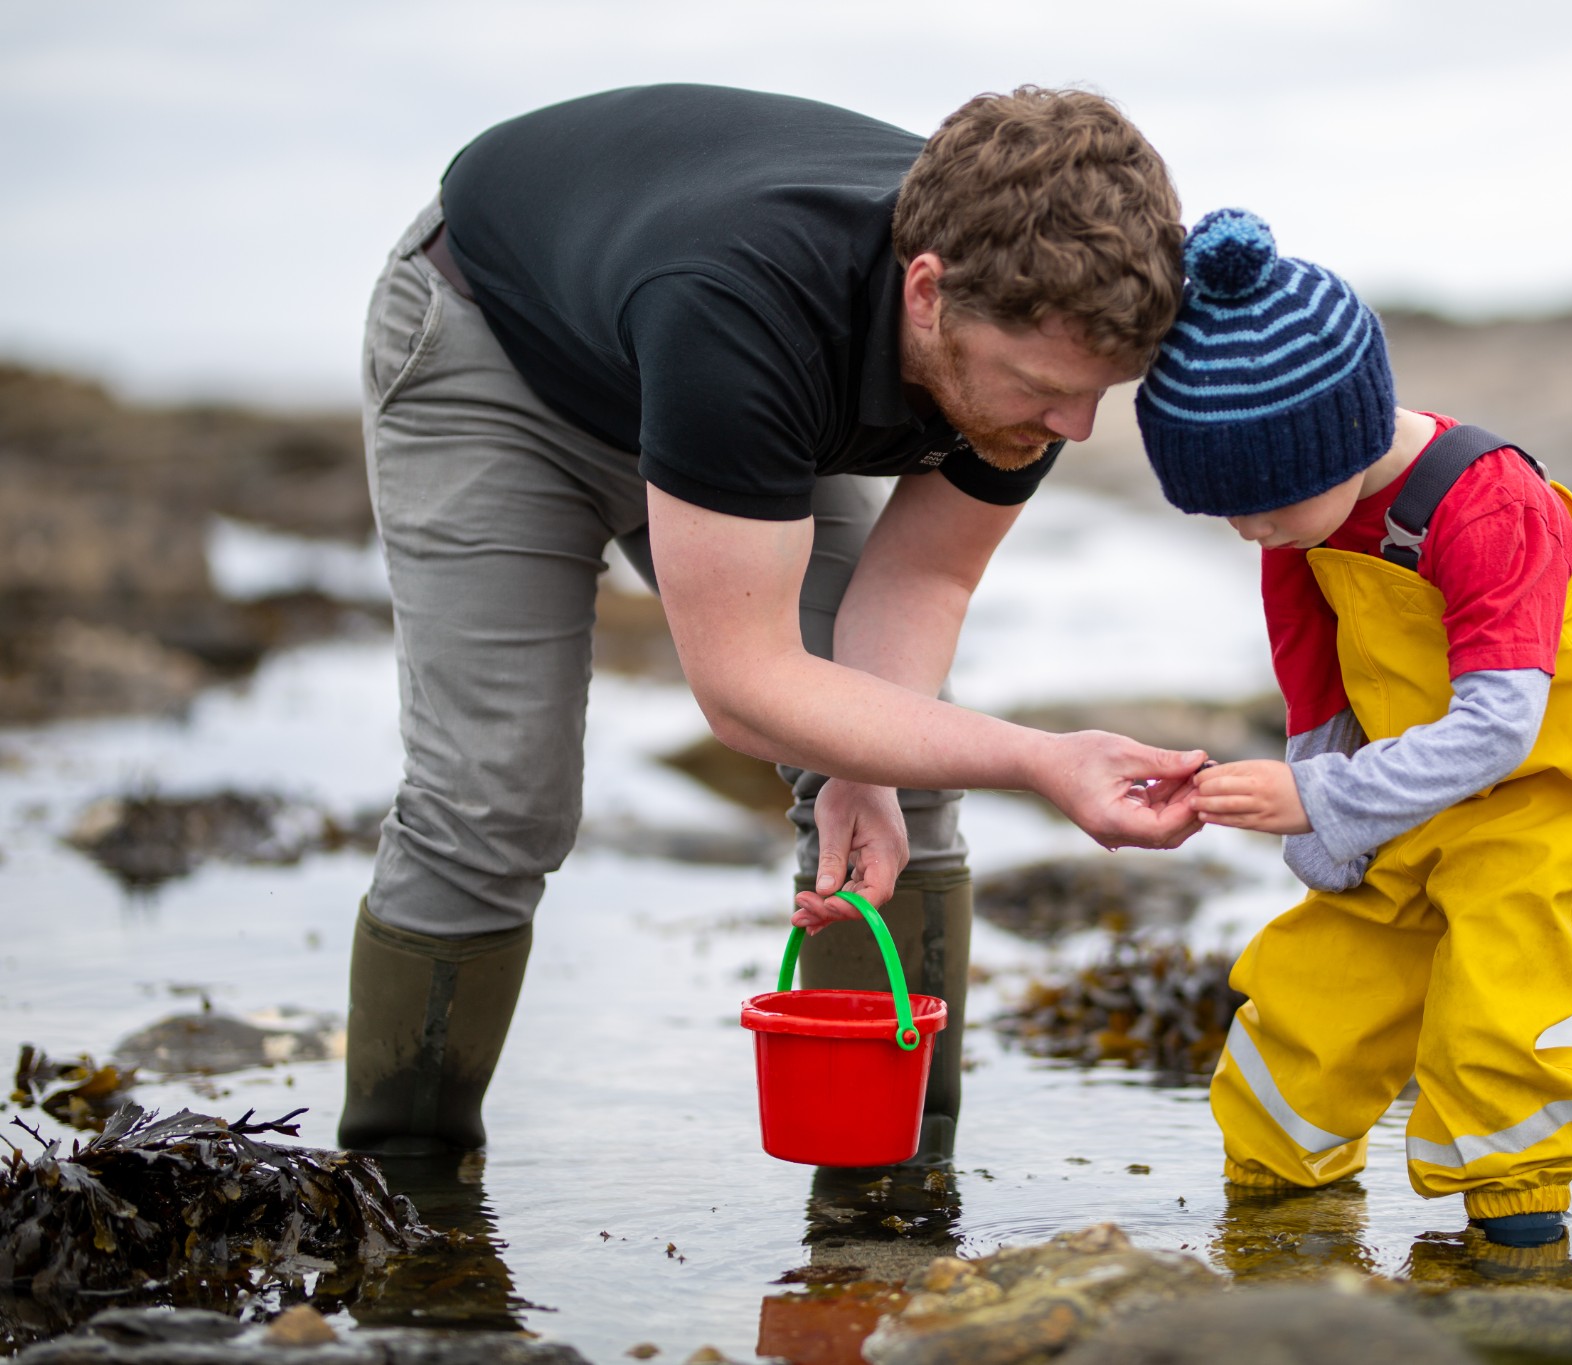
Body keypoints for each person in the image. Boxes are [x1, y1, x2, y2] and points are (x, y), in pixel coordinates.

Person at [343, 84, 1205, 1164]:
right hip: (499, 352)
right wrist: (1040, 761)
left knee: (903, 779)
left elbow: (924, 581)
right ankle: (409, 1211)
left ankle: (890, 1203)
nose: (1072, 427)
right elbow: (746, 687)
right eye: (1042, 388)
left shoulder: (1046, 318)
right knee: (494, 803)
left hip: (708, 366)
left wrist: (864, 771)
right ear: (926, 292)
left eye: (1099, 392)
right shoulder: (740, 304)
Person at [1134, 209, 1572, 1247]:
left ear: (1339, 436)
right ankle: (1279, 1228)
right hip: (1399, 802)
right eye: (1224, 515)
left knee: (1485, 1030)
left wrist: (1322, 799)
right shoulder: (1297, 523)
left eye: (1261, 508)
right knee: (1303, 1009)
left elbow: (1499, 729)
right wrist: (1319, 826)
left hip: (1541, 807)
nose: (1250, 532)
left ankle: (1519, 1257)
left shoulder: (1491, 510)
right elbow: (1316, 700)